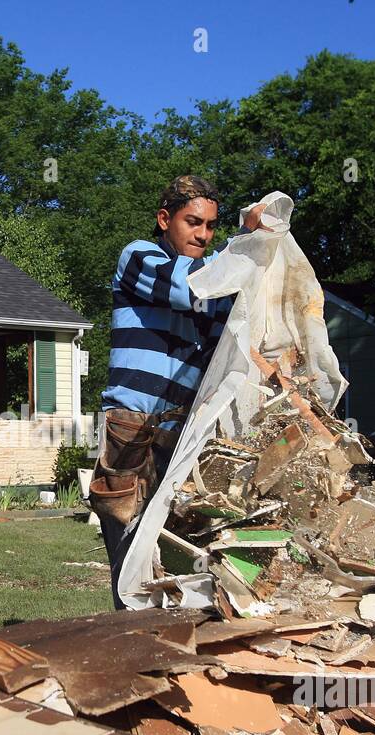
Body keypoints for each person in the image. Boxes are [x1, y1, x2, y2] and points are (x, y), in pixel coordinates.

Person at [89, 175, 266, 608]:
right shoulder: (139, 258)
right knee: (128, 535)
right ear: (164, 219)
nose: (203, 235)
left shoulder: (211, 281)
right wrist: (244, 240)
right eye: (193, 223)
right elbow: (192, 286)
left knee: (172, 543)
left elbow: (235, 312)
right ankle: (128, 636)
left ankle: (159, 638)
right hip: (132, 428)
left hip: (182, 432)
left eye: (210, 227)